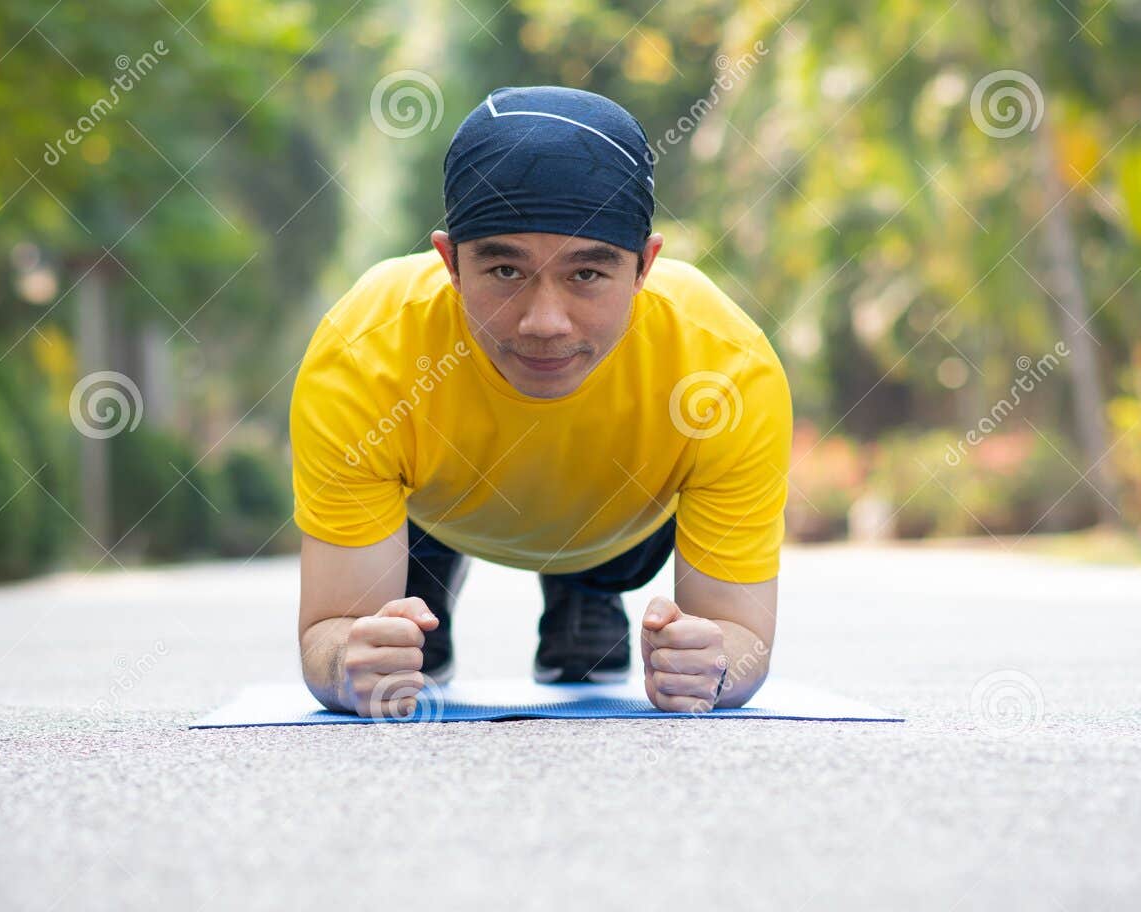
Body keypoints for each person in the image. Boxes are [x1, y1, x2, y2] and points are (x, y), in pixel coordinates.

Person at [290, 84, 791, 717]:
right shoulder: (363, 354)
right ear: (448, 263)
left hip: (619, 530)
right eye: (505, 271)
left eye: (587, 273)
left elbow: (741, 642)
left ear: (644, 268)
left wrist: (713, 667)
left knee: (588, 609)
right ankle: (427, 591)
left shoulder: (726, 369)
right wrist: (349, 662)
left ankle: (585, 591)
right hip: (431, 512)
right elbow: (328, 635)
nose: (544, 322)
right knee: (398, 640)